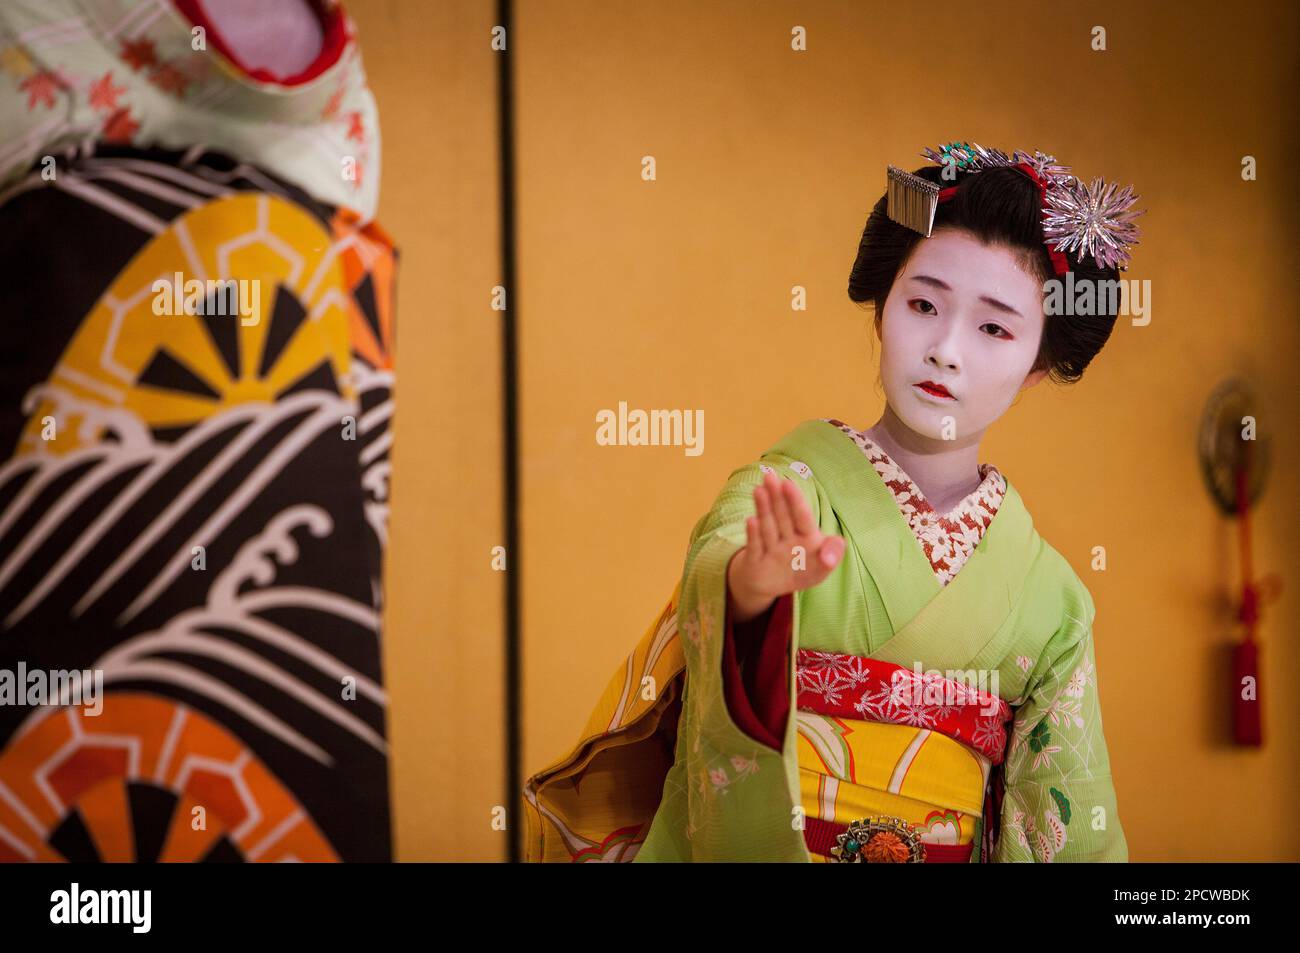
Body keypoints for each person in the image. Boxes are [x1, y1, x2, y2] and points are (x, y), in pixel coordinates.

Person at [523, 142, 1142, 863]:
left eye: (994, 327)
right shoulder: (782, 493)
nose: (946, 348)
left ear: (1037, 365)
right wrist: (748, 597)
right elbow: (718, 570)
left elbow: (1071, 829)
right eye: (923, 304)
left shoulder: (1051, 599)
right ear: (882, 312)